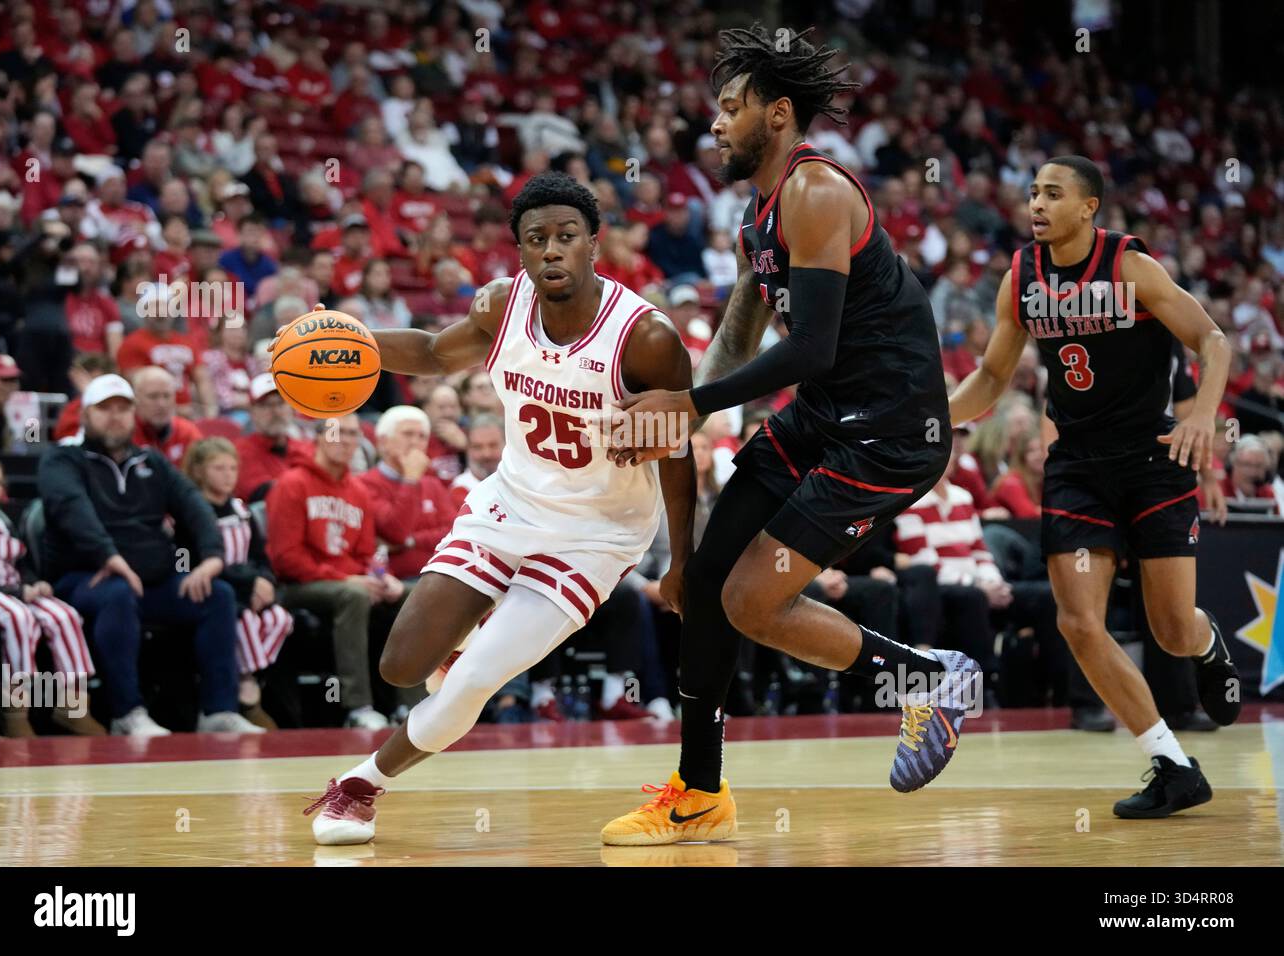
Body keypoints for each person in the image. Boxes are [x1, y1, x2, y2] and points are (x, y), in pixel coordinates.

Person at [601, 24, 979, 846]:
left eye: (729, 109)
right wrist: (690, 406)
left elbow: (813, 347)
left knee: (748, 599)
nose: (713, 125)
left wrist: (690, 407)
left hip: (887, 434)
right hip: (821, 414)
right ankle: (698, 792)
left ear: (777, 114)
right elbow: (740, 336)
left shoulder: (816, 193)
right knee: (701, 582)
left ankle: (929, 681)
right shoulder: (756, 213)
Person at [302, 171, 697, 846]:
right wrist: (348, 343)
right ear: (518, 250)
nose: (552, 250)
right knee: (401, 666)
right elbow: (429, 352)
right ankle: (458, 652)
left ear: (593, 244)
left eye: (566, 237)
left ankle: (361, 785)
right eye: (536, 238)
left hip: (595, 536)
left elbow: (678, 452)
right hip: (510, 503)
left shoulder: (645, 338)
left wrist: (684, 563)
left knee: (475, 680)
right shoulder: (499, 307)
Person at [948, 155, 1236, 818]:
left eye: (1054, 193)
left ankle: (1206, 639)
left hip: (1152, 459)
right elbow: (992, 378)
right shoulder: (1021, 275)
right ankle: (1172, 764)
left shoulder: (1130, 265)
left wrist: (1202, 418)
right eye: (1032, 193)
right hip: (1077, 465)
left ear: (1089, 207)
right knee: (1078, 621)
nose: (1037, 204)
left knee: (1169, 631)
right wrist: (936, 414)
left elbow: (1212, 341)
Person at [38, 374, 262, 736]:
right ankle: (127, 713)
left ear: (134, 414)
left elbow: (194, 506)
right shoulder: (62, 459)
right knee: (118, 594)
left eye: (123, 409)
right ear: (85, 415)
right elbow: (71, 510)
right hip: (86, 578)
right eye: (104, 409)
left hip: (152, 581)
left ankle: (218, 710)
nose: (115, 416)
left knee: (217, 595)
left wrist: (211, 558)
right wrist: (110, 557)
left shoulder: (151, 462)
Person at [264, 413, 408, 730]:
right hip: (298, 587)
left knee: (410, 594)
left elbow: (366, 553)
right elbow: (286, 559)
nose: (345, 441)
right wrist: (347, 579)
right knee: (354, 595)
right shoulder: (292, 484)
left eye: (352, 434)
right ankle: (358, 707)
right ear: (317, 437)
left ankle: (409, 707)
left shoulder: (357, 491)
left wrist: (383, 579)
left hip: (345, 581)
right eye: (336, 433)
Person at [0, 454, 103, 737]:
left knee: (64, 615)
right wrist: (17, 590)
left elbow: (21, 564)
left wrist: (35, 583)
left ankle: (73, 706)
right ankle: (15, 710)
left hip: (15, 588)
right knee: (18, 617)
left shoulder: (3, 522)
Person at [182, 438, 290, 729]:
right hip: (221, 590)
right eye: (219, 468)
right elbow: (191, 562)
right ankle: (248, 687)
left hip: (251, 588)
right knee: (244, 624)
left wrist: (265, 581)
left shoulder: (242, 510)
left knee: (280, 618)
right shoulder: (192, 511)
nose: (228, 475)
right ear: (200, 471)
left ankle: (248, 677)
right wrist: (248, 583)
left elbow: (259, 555)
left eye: (233, 468)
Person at [357, 406, 456, 581]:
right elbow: (396, 531)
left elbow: (453, 533)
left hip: (439, 576)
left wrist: (410, 541)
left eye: (422, 436)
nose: (415, 442)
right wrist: (410, 480)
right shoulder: (365, 483)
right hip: (395, 581)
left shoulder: (433, 484)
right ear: (383, 441)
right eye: (408, 434)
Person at [233, 373, 312, 501]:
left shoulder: (304, 447)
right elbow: (258, 493)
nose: (275, 411)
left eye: (280, 403)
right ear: (252, 411)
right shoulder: (242, 451)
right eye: (266, 405)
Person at [130, 366, 202, 466]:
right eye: (153, 396)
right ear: (135, 400)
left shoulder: (186, 432)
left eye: (167, 396)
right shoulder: (125, 434)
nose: (162, 404)